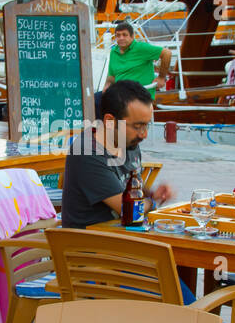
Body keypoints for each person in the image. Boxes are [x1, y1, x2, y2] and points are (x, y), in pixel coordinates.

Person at [61, 79, 173, 229]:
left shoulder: (127, 142)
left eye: (146, 125)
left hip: (121, 235)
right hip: (88, 245)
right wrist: (152, 202)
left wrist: (153, 194)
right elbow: (129, 211)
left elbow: (130, 187)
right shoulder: (86, 152)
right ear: (109, 121)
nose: (144, 134)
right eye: (138, 126)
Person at [102, 21, 172, 98]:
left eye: (125, 35)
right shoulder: (114, 52)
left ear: (132, 37)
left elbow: (167, 53)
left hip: (140, 96)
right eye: (118, 35)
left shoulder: (141, 47)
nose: (121, 38)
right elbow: (112, 76)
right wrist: (106, 86)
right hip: (121, 95)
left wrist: (161, 78)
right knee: (95, 100)